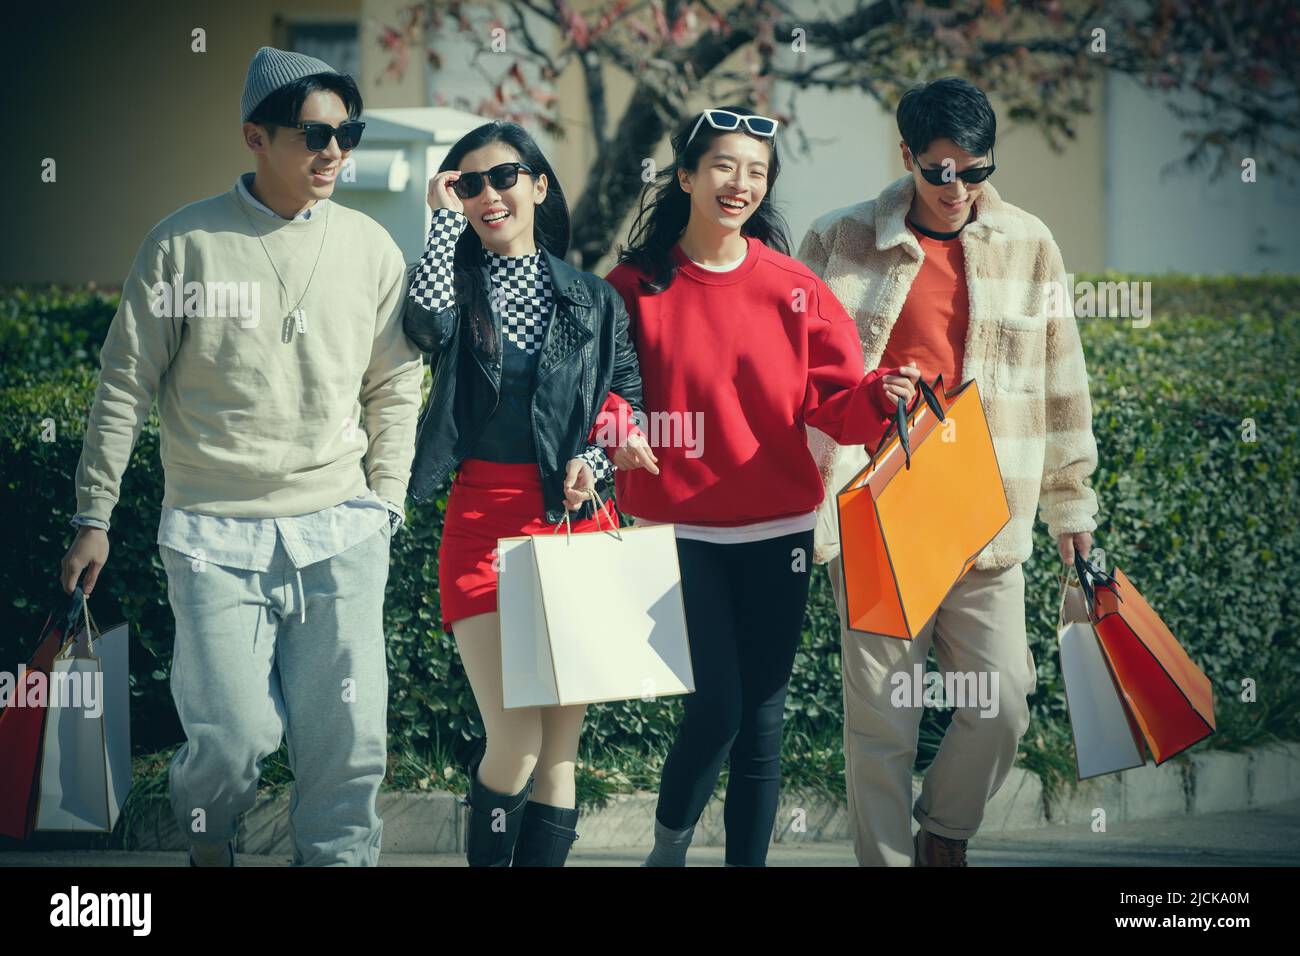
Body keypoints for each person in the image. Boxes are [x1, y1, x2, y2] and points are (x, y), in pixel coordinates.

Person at [58, 47, 425, 866]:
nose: (335, 151)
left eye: (348, 133)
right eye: (314, 133)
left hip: (340, 528)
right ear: (255, 137)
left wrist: (386, 500)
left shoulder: (371, 247)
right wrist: (94, 515)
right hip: (213, 532)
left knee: (350, 744)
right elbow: (124, 384)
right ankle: (207, 841)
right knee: (233, 739)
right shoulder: (181, 245)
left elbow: (398, 382)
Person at [605, 106, 918, 867]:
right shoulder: (633, 285)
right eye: (721, 166)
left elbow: (837, 406)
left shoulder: (796, 288)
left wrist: (882, 396)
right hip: (679, 532)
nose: (738, 183)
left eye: (755, 171)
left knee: (763, 718)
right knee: (716, 708)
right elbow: (601, 391)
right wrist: (620, 424)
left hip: (777, 532)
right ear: (684, 176)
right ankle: (669, 848)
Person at [799, 76, 1101, 866]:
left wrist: (1074, 512)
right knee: (882, 722)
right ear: (907, 158)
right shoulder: (841, 238)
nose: (958, 188)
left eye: (975, 170)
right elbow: (795, 376)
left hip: (984, 514)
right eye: (939, 171)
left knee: (1003, 703)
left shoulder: (1029, 243)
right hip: (881, 510)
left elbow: (1062, 382)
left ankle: (945, 831)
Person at [401, 121, 652, 867]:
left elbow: (624, 398)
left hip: (569, 522)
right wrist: (440, 223)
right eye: (468, 183)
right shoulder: (460, 282)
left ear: (540, 185)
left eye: (504, 177)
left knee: (560, 751)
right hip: (480, 521)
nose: (488, 195)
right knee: (514, 738)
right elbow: (424, 326)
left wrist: (596, 460)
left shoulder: (592, 298)